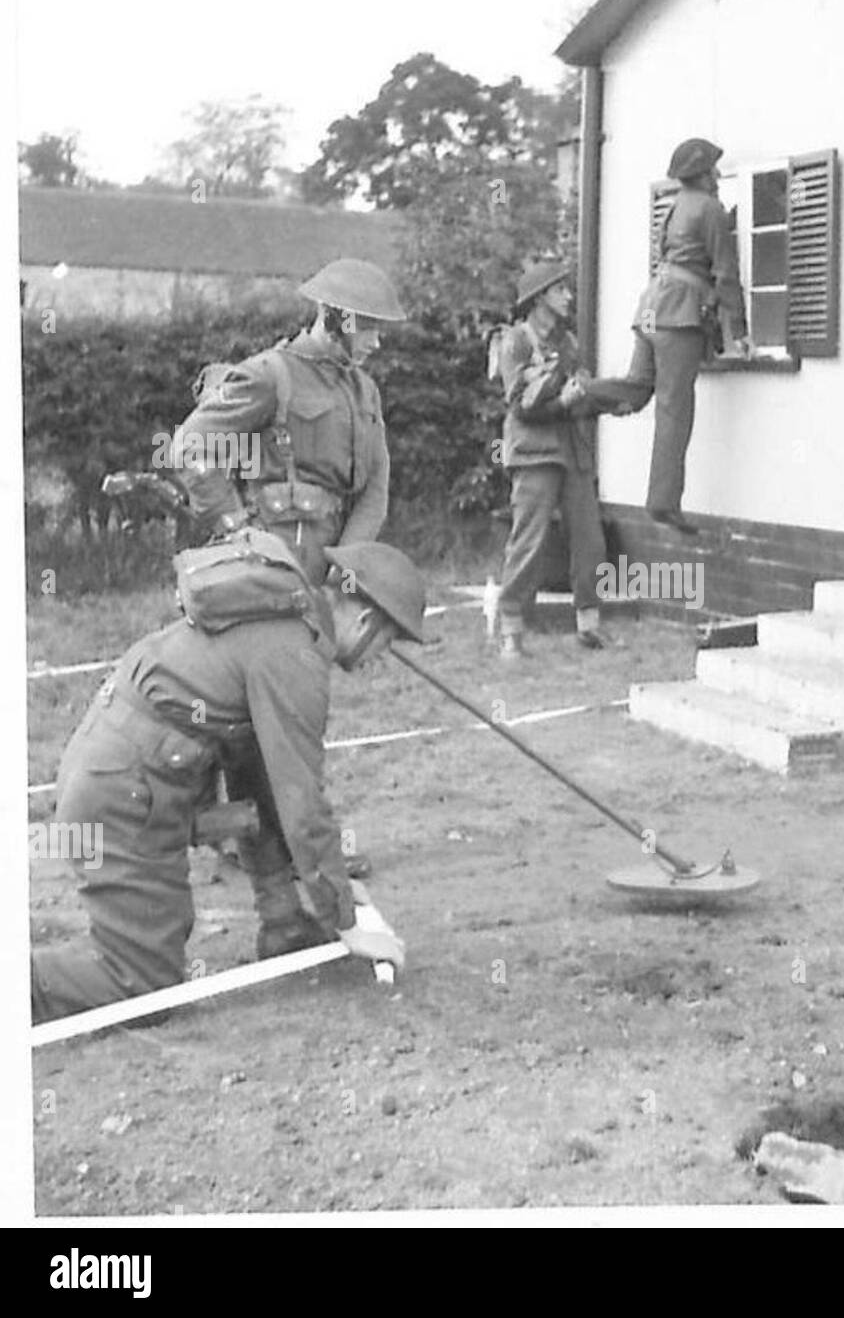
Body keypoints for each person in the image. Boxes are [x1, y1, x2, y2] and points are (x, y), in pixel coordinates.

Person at [29, 542, 426, 1025]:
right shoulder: (295, 656)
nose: (380, 658)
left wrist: (301, 909)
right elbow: (301, 800)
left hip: (115, 774)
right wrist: (346, 922)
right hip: (121, 796)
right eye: (389, 641)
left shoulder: (279, 627)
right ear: (366, 622)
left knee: (149, 966)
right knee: (139, 985)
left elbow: (258, 783)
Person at [168, 258, 406, 584]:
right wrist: (234, 526)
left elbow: (375, 487)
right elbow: (189, 445)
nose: (376, 342)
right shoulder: (270, 375)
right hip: (271, 563)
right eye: (367, 328)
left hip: (334, 564)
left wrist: (347, 559)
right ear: (336, 319)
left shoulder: (365, 392)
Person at [592, 137, 753, 535]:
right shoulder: (710, 209)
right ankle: (663, 502)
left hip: (651, 308)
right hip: (678, 317)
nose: (717, 175)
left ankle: (578, 394)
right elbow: (726, 273)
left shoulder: (675, 206)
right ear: (701, 174)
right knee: (674, 410)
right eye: (712, 169)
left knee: (635, 387)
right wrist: (740, 332)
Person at [495, 260, 613, 658]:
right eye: (560, 290)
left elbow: (578, 394)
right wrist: (563, 401)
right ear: (541, 297)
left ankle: (589, 626)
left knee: (590, 541)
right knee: (529, 542)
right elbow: (520, 406)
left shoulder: (569, 344)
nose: (568, 296)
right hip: (534, 453)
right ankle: (511, 631)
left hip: (572, 450)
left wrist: (593, 399)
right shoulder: (514, 342)